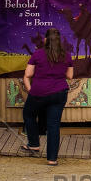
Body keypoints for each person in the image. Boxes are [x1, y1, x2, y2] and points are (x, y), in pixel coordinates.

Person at [21, 28, 74, 166]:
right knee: (53, 126)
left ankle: (33, 144)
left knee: (28, 114)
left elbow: (27, 75)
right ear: (59, 41)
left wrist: (30, 90)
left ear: (45, 40)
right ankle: (52, 159)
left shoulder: (37, 54)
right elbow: (70, 76)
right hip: (59, 93)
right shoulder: (67, 56)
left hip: (39, 92)